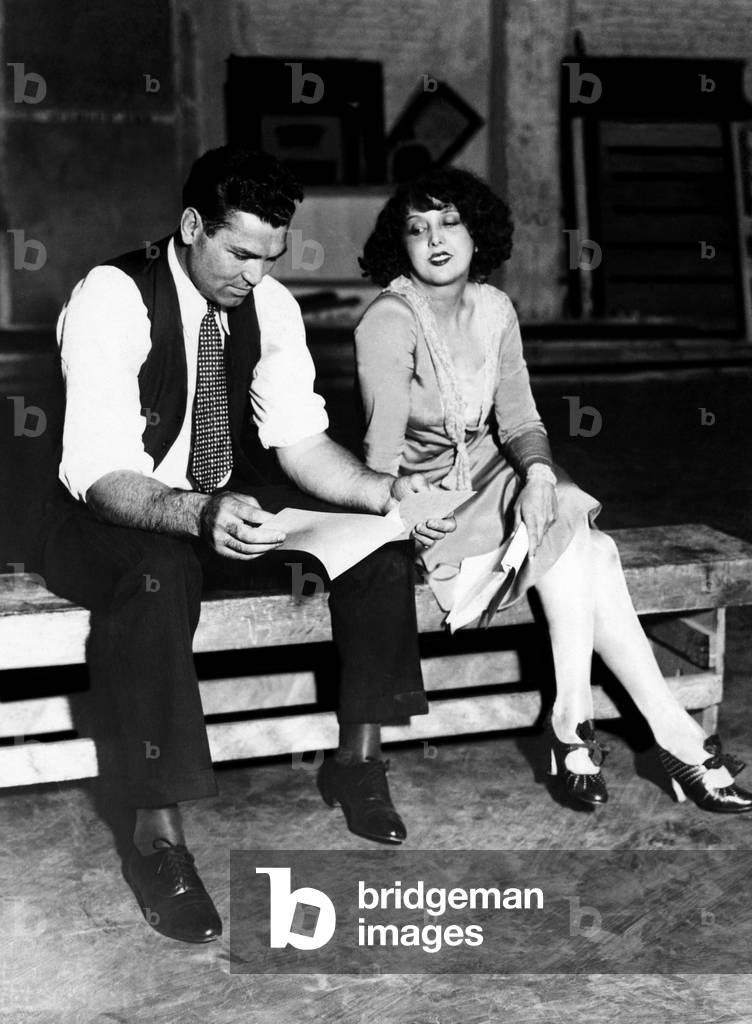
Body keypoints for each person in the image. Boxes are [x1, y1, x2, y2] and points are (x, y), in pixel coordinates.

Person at [40, 146, 454, 945]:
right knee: (159, 575)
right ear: (192, 227)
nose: (256, 274)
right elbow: (97, 472)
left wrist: (384, 494)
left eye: (271, 256)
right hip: (104, 519)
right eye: (239, 253)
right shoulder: (114, 295)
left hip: (212, 509)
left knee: (377, 546)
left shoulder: (270, 307)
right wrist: (196, 515)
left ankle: (357, 762)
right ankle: (156, 839)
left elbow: (300, 442)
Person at [354, 165, 752, 817]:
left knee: (571, 522)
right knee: (584, 549)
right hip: (427, 497)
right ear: (401, 245)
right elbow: (380, 453)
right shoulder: (387, 321)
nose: (436, 239)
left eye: (450, 221)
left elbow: (519, 417)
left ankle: (575, 728)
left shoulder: (496, 309)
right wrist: (414, 509)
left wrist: (538, 472)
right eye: (417, 228)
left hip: (496, 473)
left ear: (477, 233)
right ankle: (664, 736)